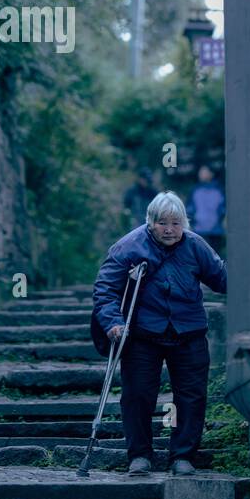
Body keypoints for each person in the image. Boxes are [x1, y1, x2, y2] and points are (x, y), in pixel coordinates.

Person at [92, 191, 227, 476]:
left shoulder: (195, 246)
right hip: (143, 334)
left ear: (184, 223)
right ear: (150, 222)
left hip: (188, 331)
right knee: (138, 394)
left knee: (191, 395)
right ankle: (139, 455)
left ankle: (183, 456)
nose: (169, 229)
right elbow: (105, 290)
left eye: (176, 223)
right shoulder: (128, 247)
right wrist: (113, 323)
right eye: (162, 223)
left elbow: (222, 278)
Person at [186, 164, 226, 257]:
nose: (201, 174)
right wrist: (191, 224)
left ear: (211, 174)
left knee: (215, 258)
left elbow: (223, 208)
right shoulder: (195, 190)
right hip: (199, 230)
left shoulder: (219, 190)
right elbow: (190, 209)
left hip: (215, 231)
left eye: (204, 171)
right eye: (200, 172)